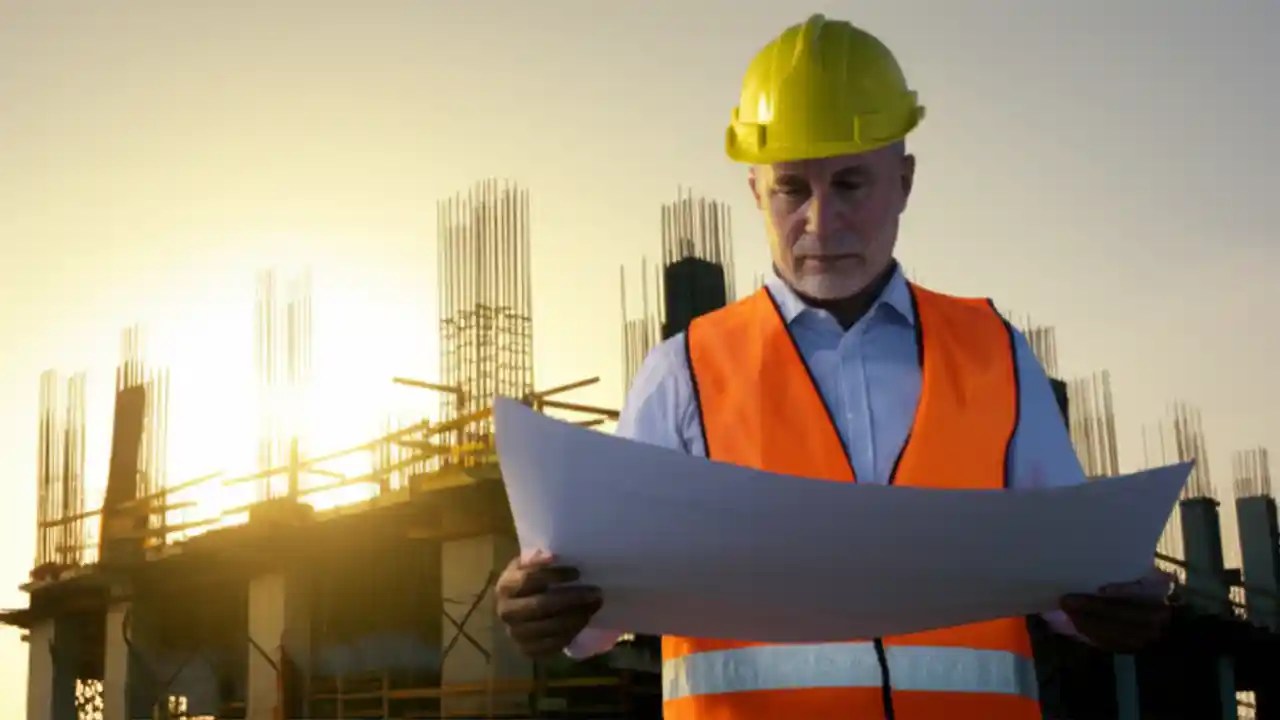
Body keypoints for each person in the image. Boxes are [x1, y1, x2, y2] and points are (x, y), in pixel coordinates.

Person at [495, 13, 1172, 719]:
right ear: (756, 190)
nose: (821, 222)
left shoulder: (995, 353)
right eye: (793, 188)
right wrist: (541, 603)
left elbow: (1074, 580)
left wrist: (1121, 602)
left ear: (903, 181)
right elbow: (597, 607)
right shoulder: (683, 374)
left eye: (851, 183)